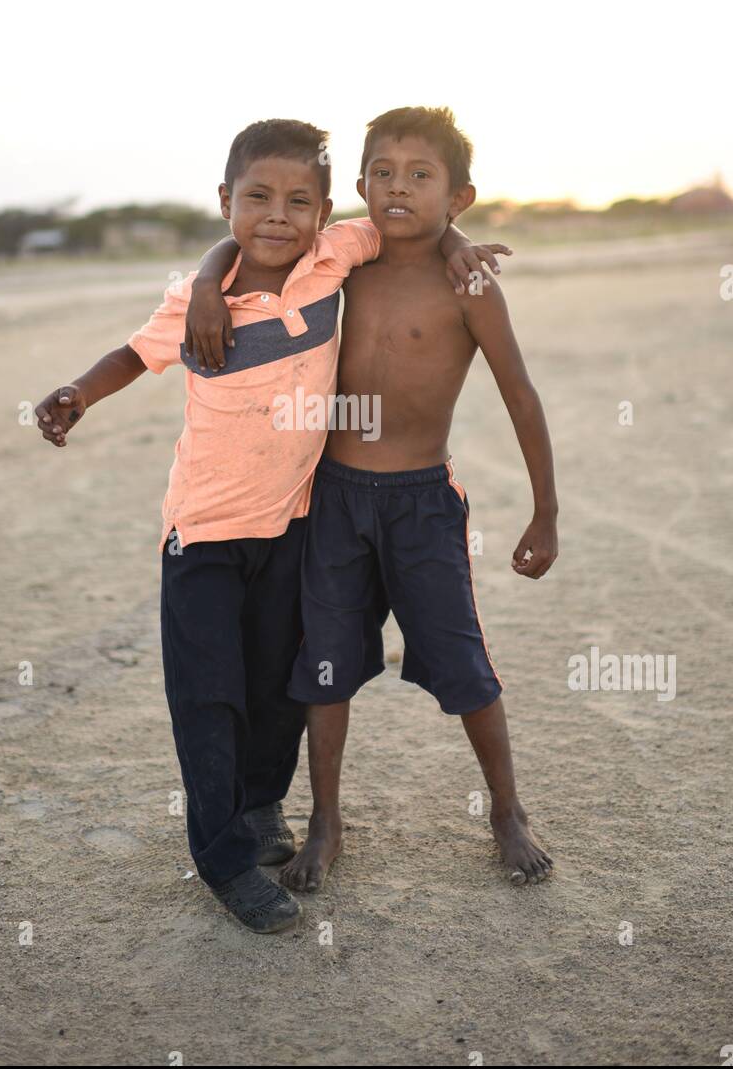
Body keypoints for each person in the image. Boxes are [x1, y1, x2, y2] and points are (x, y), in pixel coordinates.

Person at [35, 117, 506, 932]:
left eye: (298, 201)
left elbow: (411, 220)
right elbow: (130, 355)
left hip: (293, 524)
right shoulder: (193, 301)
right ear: (225, 202)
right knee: (208, 698)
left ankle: (259, 811)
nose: (278, 215)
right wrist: (77, 391)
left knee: (277, 688)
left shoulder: (333, 260)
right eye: (257, 198)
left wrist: (459, 242)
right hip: (204, 534)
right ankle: (222, 860)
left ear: (326, 214)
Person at [273, 106, 559, 893]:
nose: (397, 188)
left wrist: (546, 511)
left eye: (419, 176)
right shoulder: (338, 263)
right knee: (322, 664)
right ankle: (326, 820)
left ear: (457, 197)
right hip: (332, 498)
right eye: (383, 174)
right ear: (358, 185)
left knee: (461, 659)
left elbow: (520, 396)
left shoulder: (465, 283)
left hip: (420, 504)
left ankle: (505, 810)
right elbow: (248, 244)